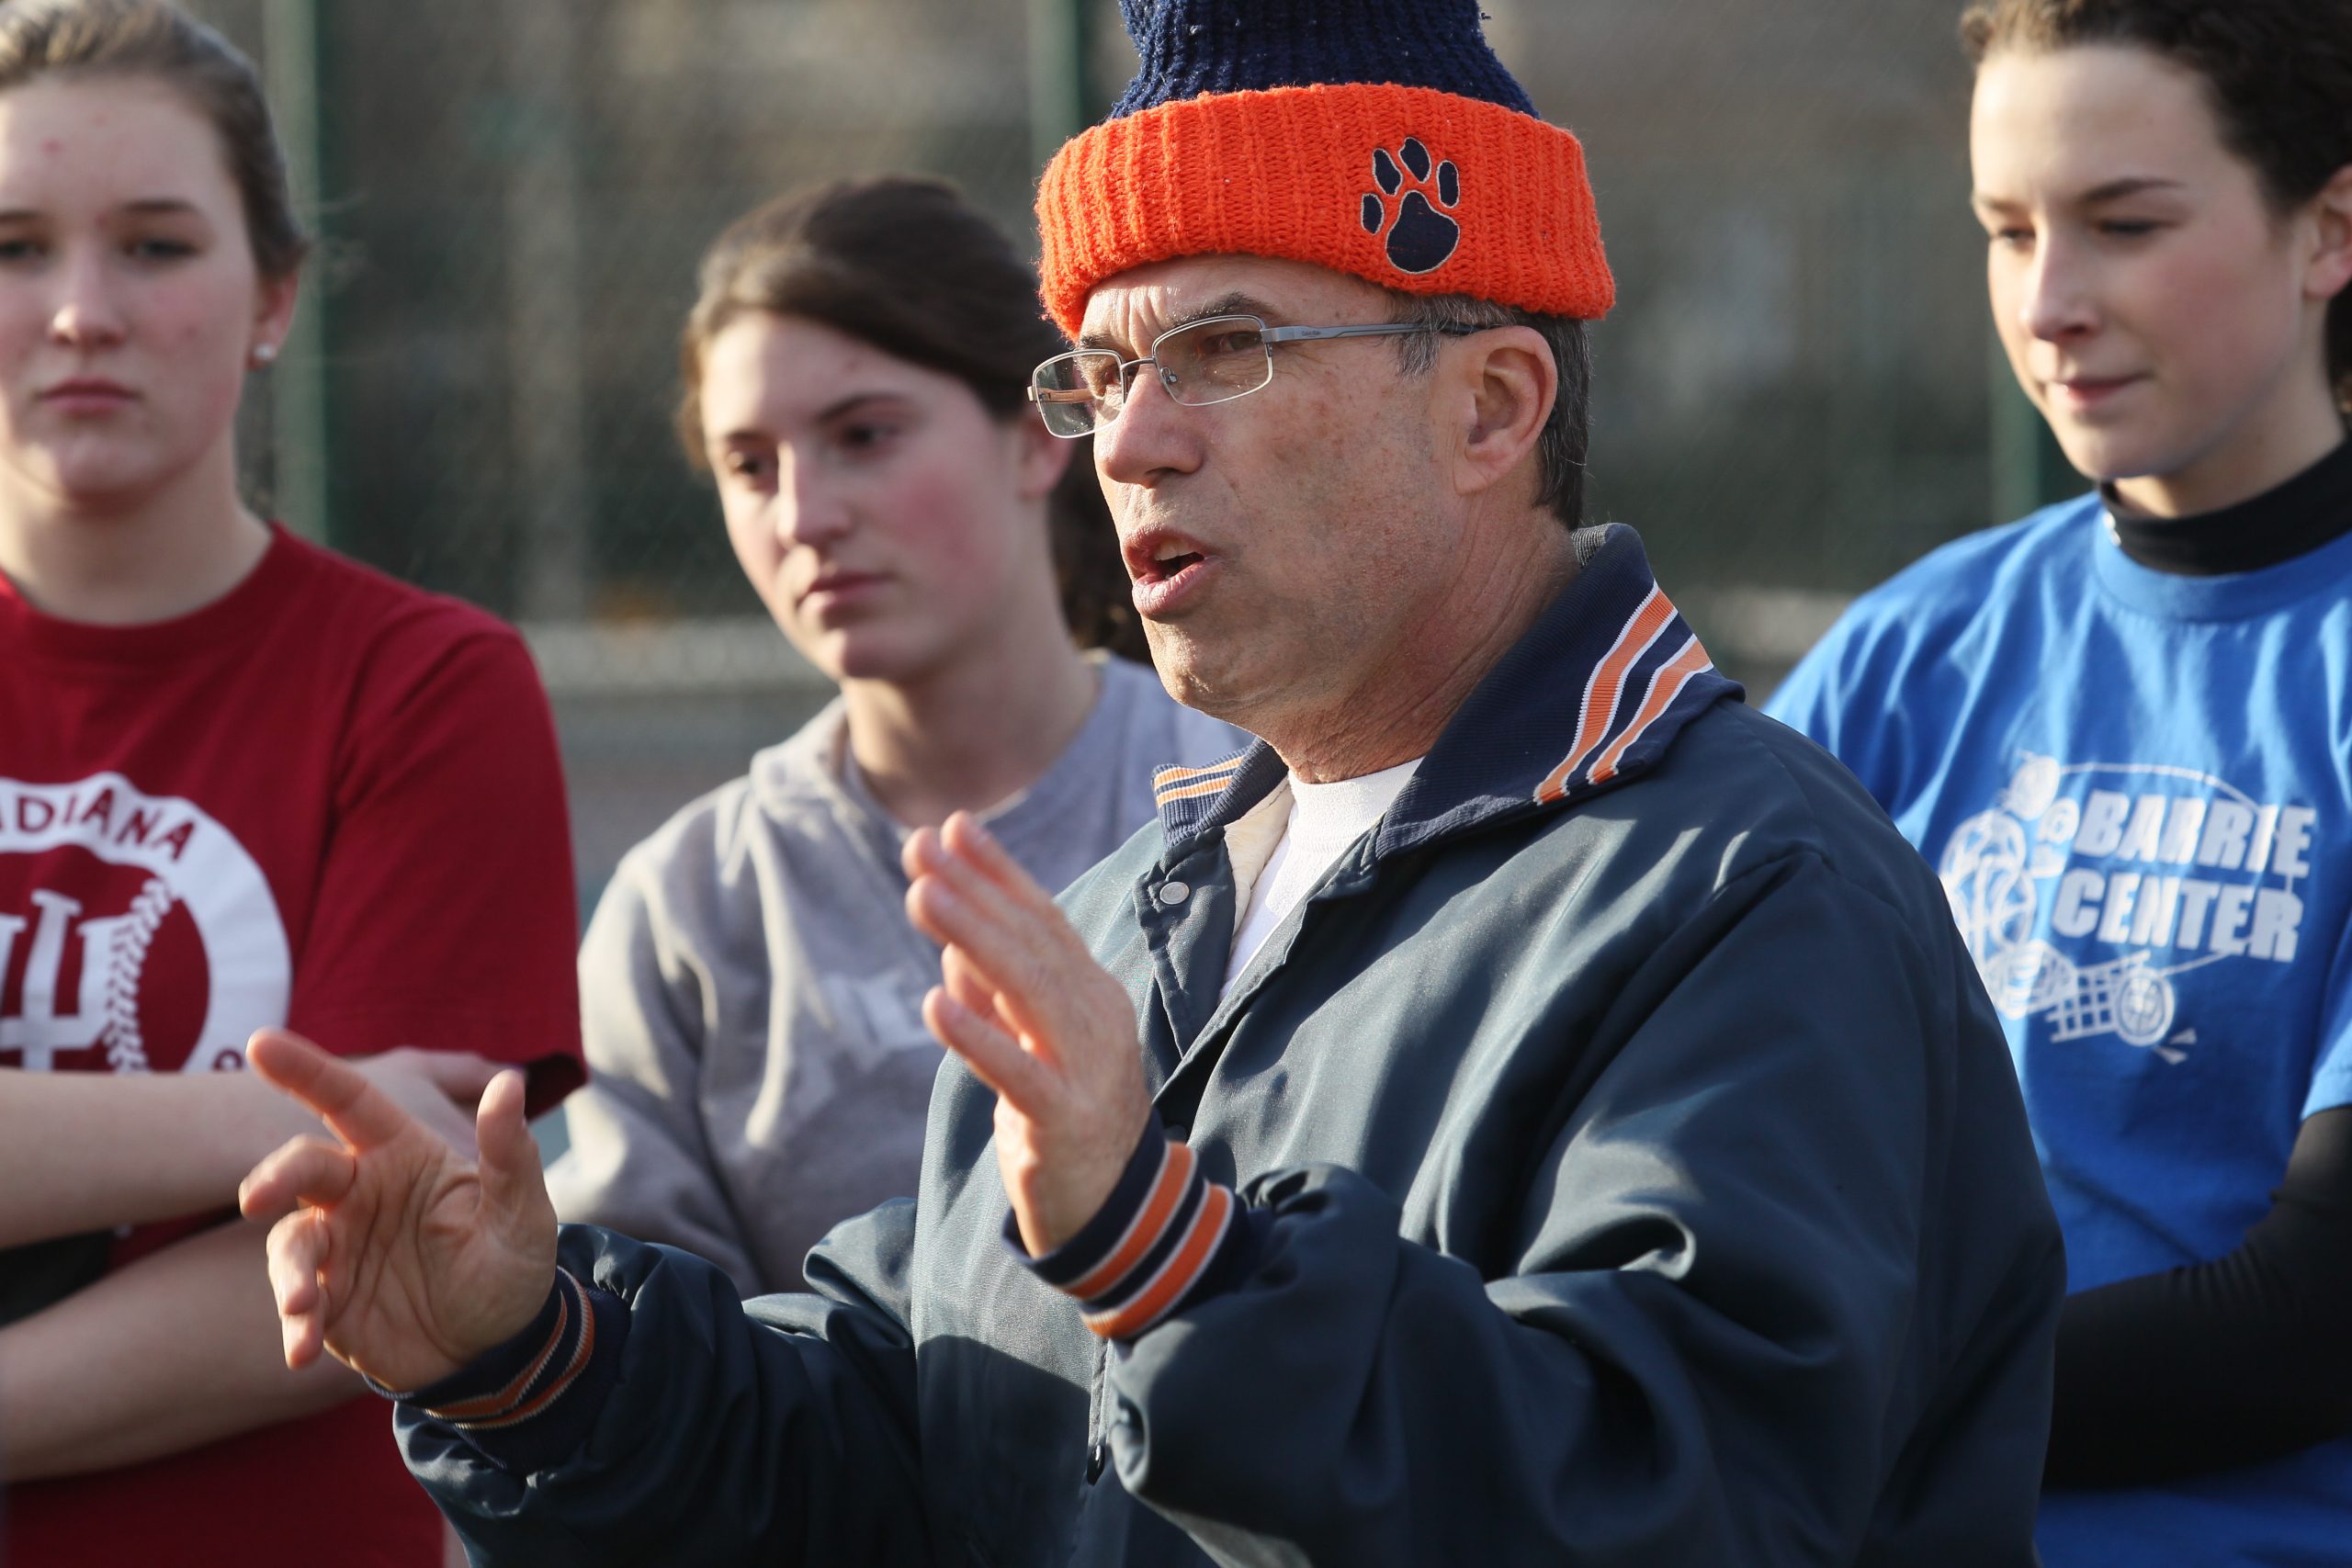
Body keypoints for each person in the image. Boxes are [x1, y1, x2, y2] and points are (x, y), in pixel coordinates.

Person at [239, 2, 2065, 1562]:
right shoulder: (1141, 902)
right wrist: (533, 1355)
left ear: (1494, 405)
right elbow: (928, 1439)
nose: (1129, 438)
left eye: (1222, 351)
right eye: (1100, 368)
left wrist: (1167, 1255)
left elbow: (1669, 1497)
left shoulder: (1746, 894)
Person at [1764, 2, 2352, 1562]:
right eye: (2006, 231)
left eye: (2126, 224)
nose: (2051, 302)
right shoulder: (1909, 652)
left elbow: (2314, 1315)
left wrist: (1792, 1399)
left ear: (2330, 231)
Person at [0, 2, 585, 1563]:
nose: (77, 312)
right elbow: (352, 1130)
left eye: (153, 245)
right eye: (12, 245)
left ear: (272, 296)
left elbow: (368, 1272)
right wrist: (281, 1107)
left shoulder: (427, 684)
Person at [545, 176, 1243, 1298]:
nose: (803, 516)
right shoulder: (689, 908)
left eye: (863, 435)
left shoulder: (1247, 798)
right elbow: (652, 1394)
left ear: (1033, 442)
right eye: (748, 466)